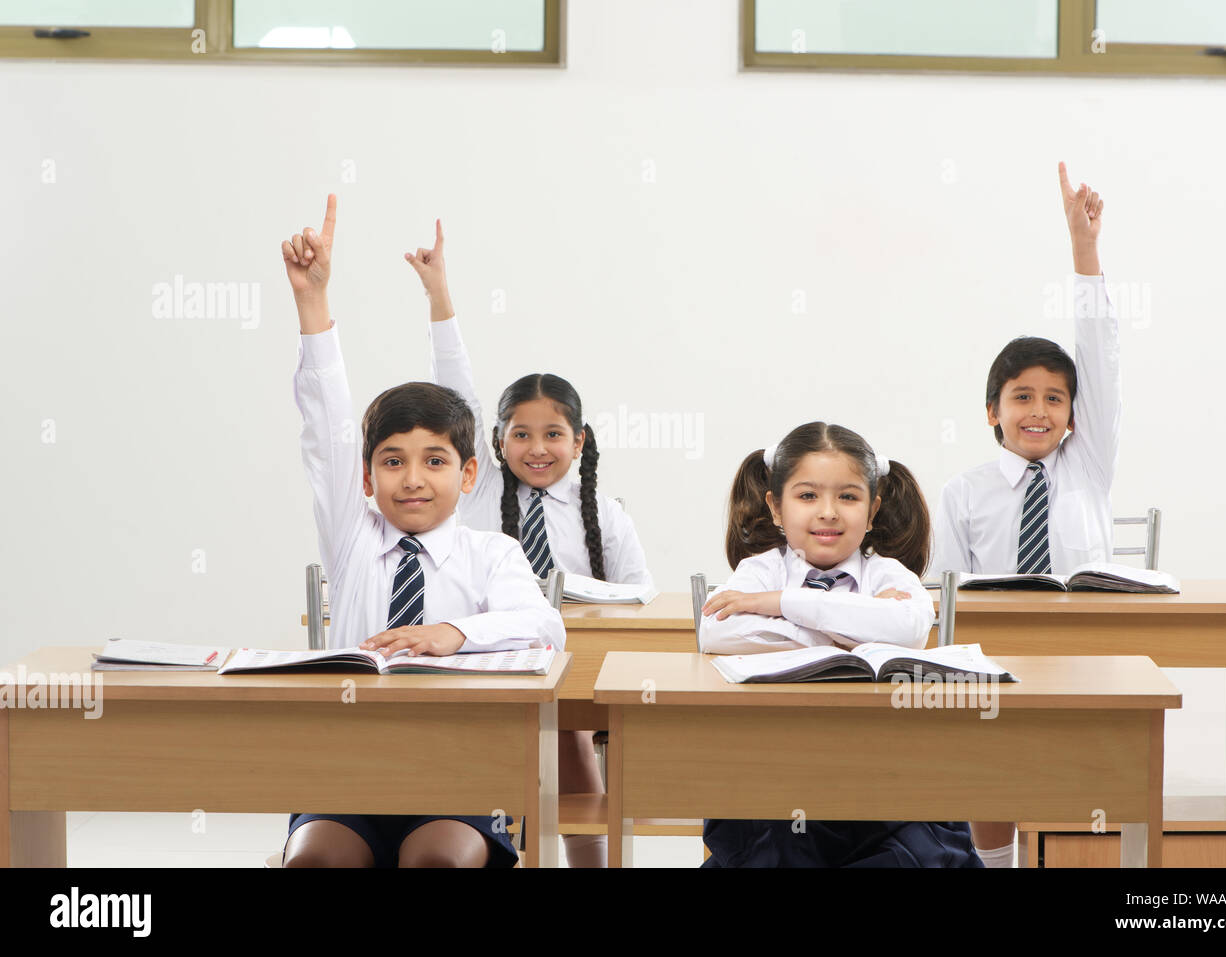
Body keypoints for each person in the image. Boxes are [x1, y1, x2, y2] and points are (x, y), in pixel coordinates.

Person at [281, 196, 564, 868]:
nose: (412, 478)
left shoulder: (490, 551)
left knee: (437, 858)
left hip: (462, 771)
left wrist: (453, 633)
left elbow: (544, 625)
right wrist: (313, 304)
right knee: (316, 859)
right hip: (350, 769)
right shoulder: (353, 537)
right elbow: (326, 421)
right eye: (392, 461)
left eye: (434, 461)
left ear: (468, 475)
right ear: (366, 476)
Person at [406, 221, 651, 867]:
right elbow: (455, 384)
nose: (537, 449)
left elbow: (643, 597)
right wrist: (439, 293)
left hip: (573, 670)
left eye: (553, 434)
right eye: (521, 433)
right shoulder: (479, 488)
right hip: (485, 661)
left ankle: (588, 859)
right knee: (521, 732)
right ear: (496, 440)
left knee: (567, 732)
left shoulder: (606, 514)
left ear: (580, 440)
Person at [931, 162, 1118, 868]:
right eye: (1022, 395)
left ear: (1074, 415)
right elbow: (943, 594)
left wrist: (1085, 253)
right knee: (991, 735)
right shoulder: (964, 489)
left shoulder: (1087, 467)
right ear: (993, 411)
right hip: (996, 658)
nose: (1039, 410)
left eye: (1055, 398)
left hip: (1085, 652)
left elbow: (1102, 363)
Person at [698, 421, 982, 867]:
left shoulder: (887, 574)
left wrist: (782, 605)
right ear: (775, 507)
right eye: (808, 496)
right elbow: (718, 630)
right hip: (780, 778)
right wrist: (855, 629)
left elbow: (909, 627)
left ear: (872, 512)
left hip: (888, 783)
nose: (828, 512)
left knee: (924, 851)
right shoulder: (759, 571)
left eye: (848, 497)